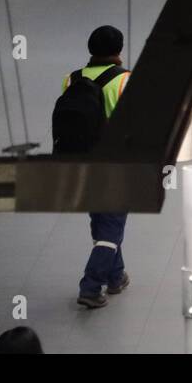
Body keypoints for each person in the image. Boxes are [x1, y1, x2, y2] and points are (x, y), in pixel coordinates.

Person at [68, 25, 131, 309]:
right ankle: (91, 287)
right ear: (118, 50)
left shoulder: (71, 79)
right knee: (111, 229)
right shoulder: (123, 81)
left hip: (80, 163)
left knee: (103, 221)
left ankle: (116, 276)